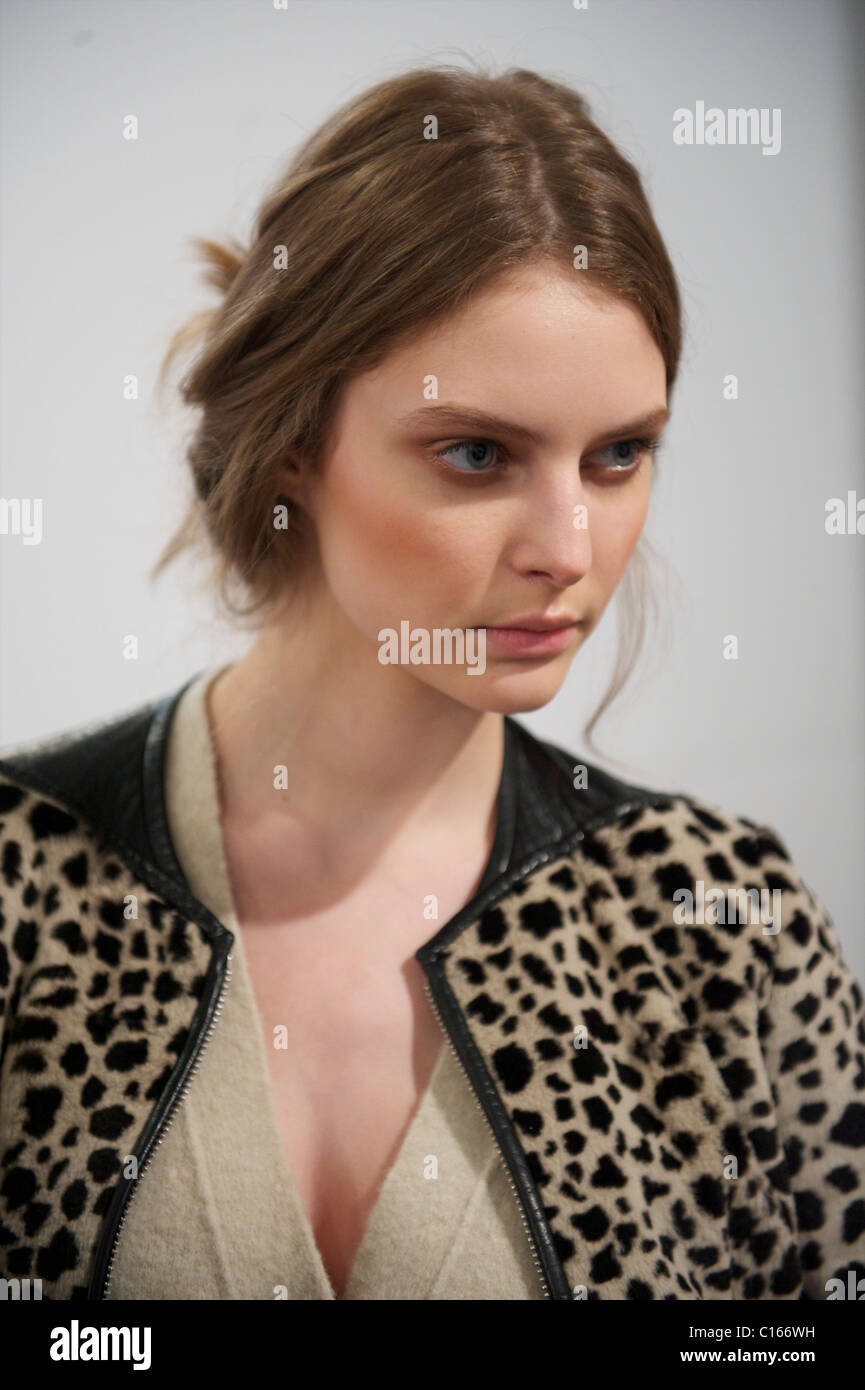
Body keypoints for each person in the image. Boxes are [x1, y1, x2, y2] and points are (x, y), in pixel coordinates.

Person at [0, 64, 862, 1303]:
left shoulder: (720, 931)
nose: (569, 546)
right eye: (477, 452)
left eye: (621, 454)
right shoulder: (24, 882)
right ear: (294, 439)